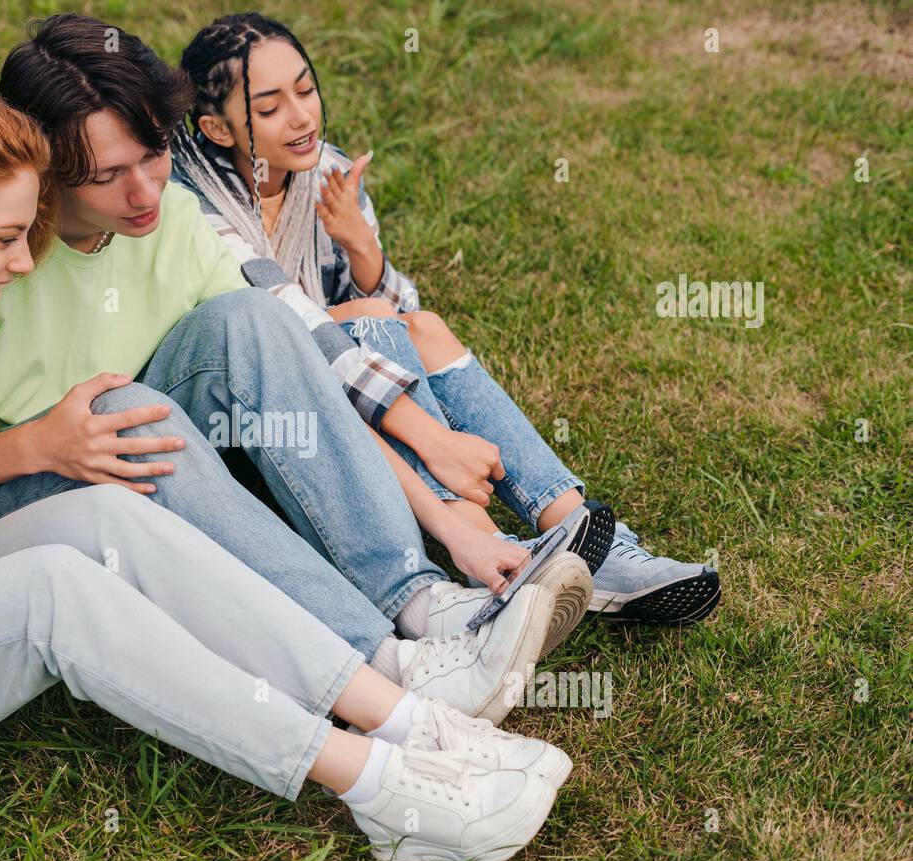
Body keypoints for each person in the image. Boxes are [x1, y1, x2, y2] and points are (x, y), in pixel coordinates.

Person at [0, 86, 578, 861]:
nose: (25, 262)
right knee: (54, 594)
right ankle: (385, 792)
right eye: (3, 239)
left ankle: (407, 715)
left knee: (113, 520)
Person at [0, 14, 594, 680]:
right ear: (44, 175)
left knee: (253, 318)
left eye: (154, 152)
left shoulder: (175, 220)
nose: (144, 191)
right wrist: (41, 443)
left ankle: (420, 599)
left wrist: (450, 529)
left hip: (146, 447)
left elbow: (302, 380)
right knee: (126, 410)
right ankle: (381, 661)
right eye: (108, 176)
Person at [170, 12, 722, 626]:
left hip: (339, 379)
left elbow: (398, 317)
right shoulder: (191, 204)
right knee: (375, 318)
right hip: (254, 423)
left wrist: (362, 249)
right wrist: (436, 440)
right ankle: (492, 552)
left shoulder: (325, 171)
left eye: (306, 89)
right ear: (216, 128)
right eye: (270, 107)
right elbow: (292, 323)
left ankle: (584, 532)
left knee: (422, 326)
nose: (302, 116)